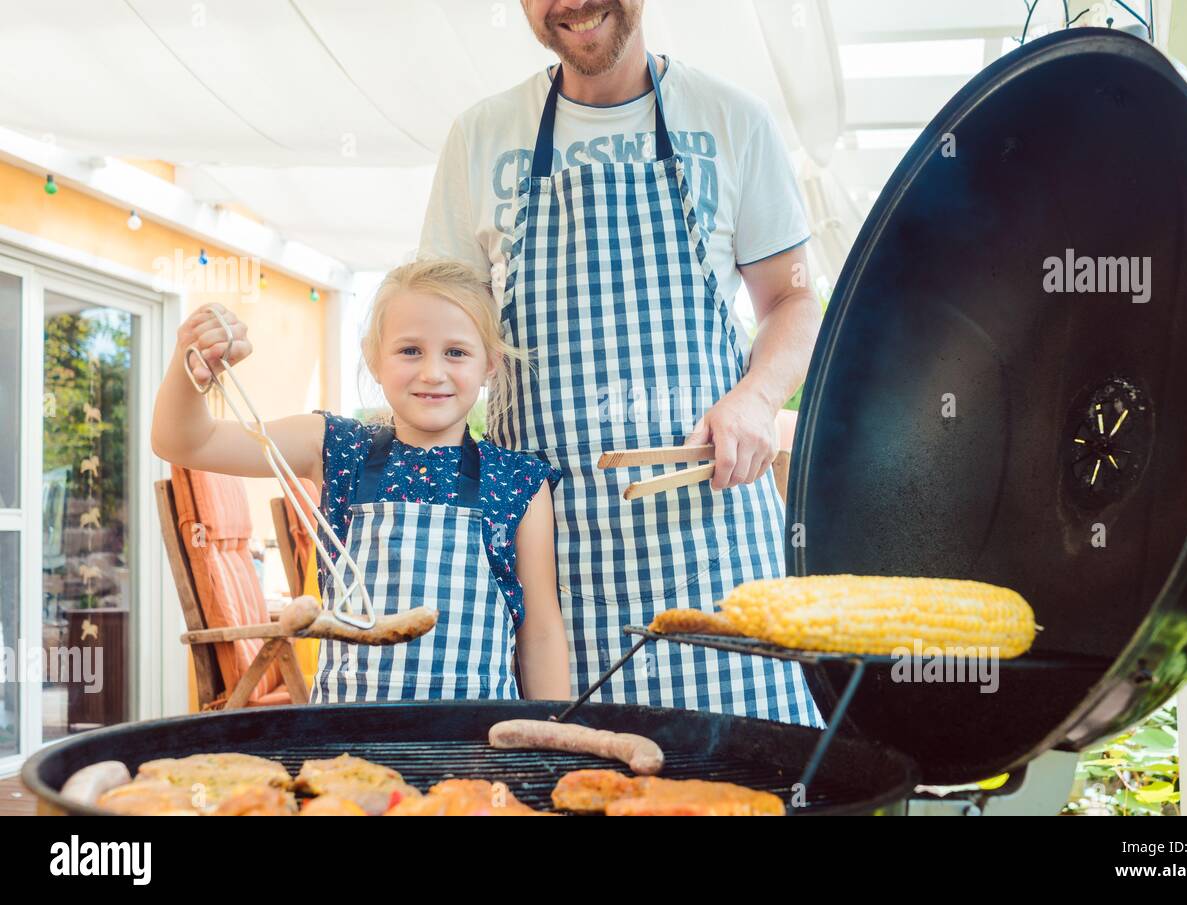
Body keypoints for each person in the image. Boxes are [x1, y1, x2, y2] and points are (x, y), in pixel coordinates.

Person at [421, 0, 823, 725]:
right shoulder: (480, 138)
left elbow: (793, 304)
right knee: (572, 789)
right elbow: (444, 329)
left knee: (755, 786)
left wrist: (759, 399)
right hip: (545, 583)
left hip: (716, 561)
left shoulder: (731, 120)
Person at [150, 258, 571, 702]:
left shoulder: (518, 480)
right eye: (410, 350)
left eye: (456, 352)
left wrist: (556, 738)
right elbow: (184, 442)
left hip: (470, 744)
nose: (432, 372)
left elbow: (540, 633)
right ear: (374, 360)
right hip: (345, 740)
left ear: (490, 364)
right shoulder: (334, 446)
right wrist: (189, 363)